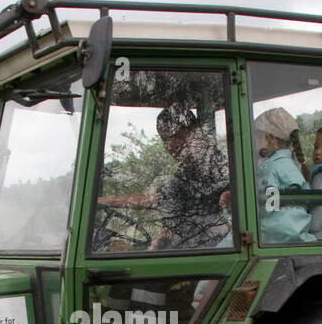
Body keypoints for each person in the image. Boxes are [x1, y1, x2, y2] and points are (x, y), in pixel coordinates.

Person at [98, 105, 231, 251]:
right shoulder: (186, 173)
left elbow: (154, 200)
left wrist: (108, 201)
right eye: (164, 139)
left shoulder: (215, 165)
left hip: (211, 253)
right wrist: (150, 252)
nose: (169, 145)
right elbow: (163, 206)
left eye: (174, 137)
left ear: (194, 132)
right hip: (193, 250)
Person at [253, 107, 314, 243]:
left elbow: (266, 211)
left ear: (268, 138)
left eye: (255, 137)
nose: (253, 143)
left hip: (278, 239)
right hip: (296, 236)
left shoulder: (271, 168)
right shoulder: (291, 166)